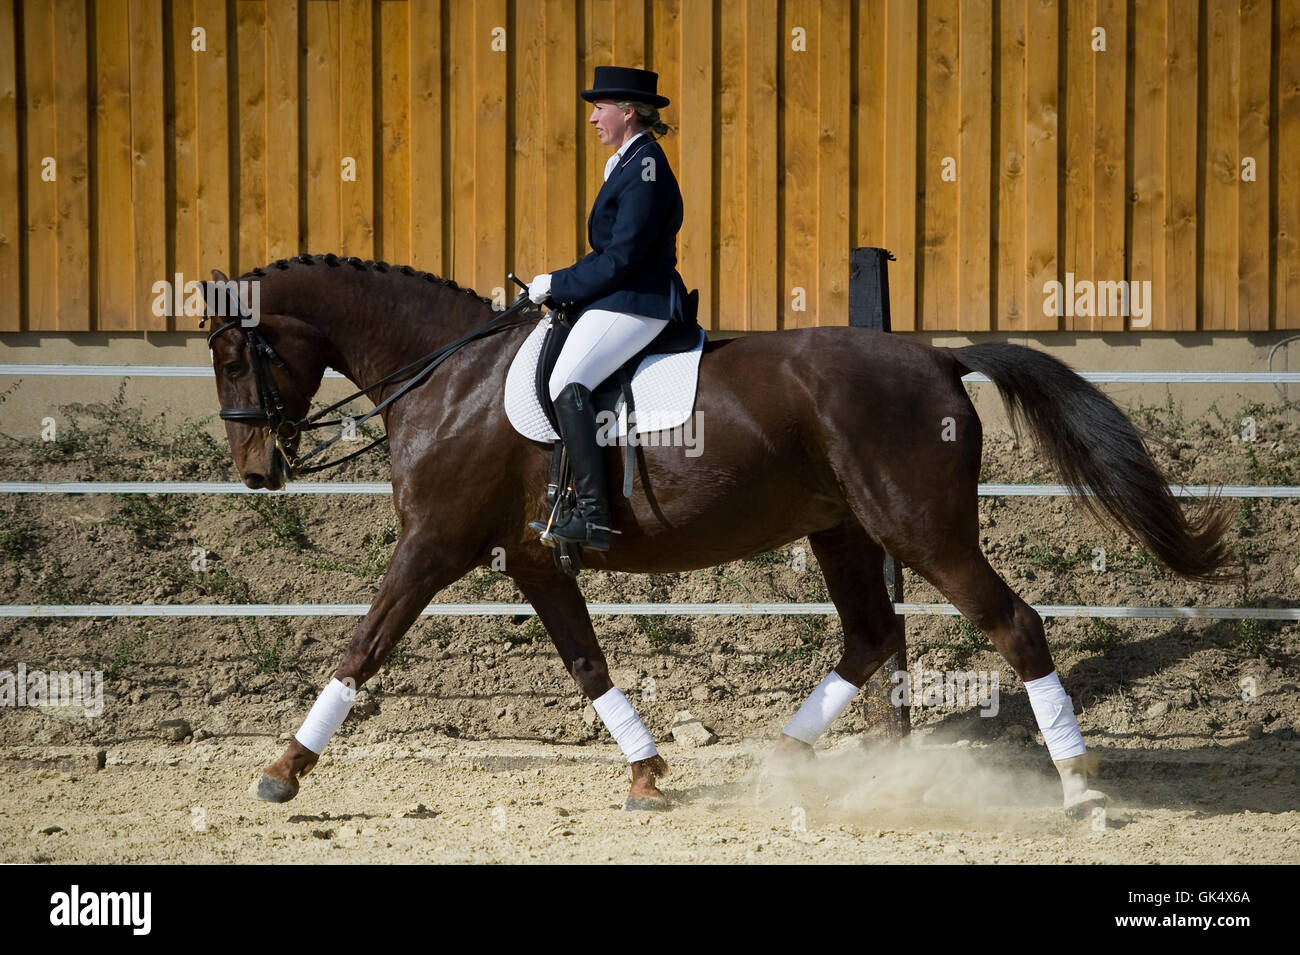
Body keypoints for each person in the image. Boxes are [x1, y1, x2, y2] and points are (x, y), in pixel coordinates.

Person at [528, 66, 693, 552]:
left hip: (640, 299)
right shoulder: (625, 161)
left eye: (600, 108)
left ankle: (594, 516)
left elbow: (622, 257)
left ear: (628, 111)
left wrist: (558, 283)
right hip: (621, 292)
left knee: (567, 381)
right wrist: (557, 283)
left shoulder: (647, 166)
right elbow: (606, 255)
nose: (594, 118)